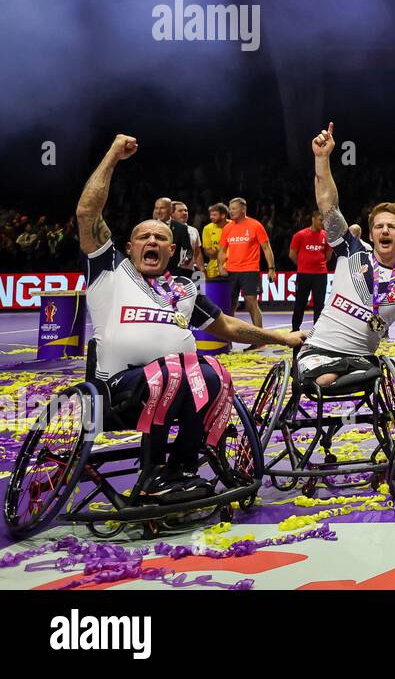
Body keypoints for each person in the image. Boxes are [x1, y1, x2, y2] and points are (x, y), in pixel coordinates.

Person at [75, 135, 305, 502]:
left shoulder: (182, 289)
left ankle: (179, 471)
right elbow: (88, 214)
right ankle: (150, 477)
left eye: (160, 237)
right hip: (119, 391)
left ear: (171, 249)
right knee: (179, 367)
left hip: (179, 382)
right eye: (143, 236)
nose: (151, 240)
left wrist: (282, 338)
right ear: (131, 246)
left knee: (214, 373)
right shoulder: (111, 271)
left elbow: (227, 326)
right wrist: (112, 157)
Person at [300, 123, 395, 393]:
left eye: (392, 227)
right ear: (371, 234)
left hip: (361, 362)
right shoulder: (350, 249)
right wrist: (322, 158)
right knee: (325, 379)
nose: (385, 230)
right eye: (379, 226)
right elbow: (328, 205)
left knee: (370, 371)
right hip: (318, 351)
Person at [218, 197, 273, 333]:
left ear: (243, 209)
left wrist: (271, 268)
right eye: (230, 209)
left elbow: (266, 248)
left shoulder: (255, 225)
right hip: (231, 271)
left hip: (250, 270)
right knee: (230, 304)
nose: (231, 212)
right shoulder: (227, 228)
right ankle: (229, 337)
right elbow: (222, 250)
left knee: (251, 303)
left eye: (234, 209)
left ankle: (260, 338)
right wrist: (220, 266)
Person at [289, 212, 331, 332]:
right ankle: (295, 329)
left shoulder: (326, 236)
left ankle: (317, 331)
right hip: (304, 275)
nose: (322, 223)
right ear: (313, 219)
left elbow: (328, 255)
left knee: (319, 304)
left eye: (324, 221)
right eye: (320, 220)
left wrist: (318, 264)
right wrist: (303, 265)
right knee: (300, 303)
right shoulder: (300, 235)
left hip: (320, 275)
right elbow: (292, 254)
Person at [151, 196, 192, 274]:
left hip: (173, 273)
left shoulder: (181, 228)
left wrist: (187, 258)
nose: (158, 211)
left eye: (162, 208)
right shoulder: (148, 226)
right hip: (152, 271)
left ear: (170, 210)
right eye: (156, 208)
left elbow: (188, 250)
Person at [171, 201, 203, 280]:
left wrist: (202, 271)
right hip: (171, 271)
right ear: (171, 213)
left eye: (186, 210)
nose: (184, 213)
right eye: (180, 211)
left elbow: (197, 252)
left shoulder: (193, 230)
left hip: (189, 271)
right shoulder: (166, 229)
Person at [202, 203, 228, 281]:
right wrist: (224, 249)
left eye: (214, 215)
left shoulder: (234, 226)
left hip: (232, 270)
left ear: (223, 215)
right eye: (210, 215)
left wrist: (217, 250)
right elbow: (208, 252)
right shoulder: (207, 228)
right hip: (213, 271)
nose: (211, 217)